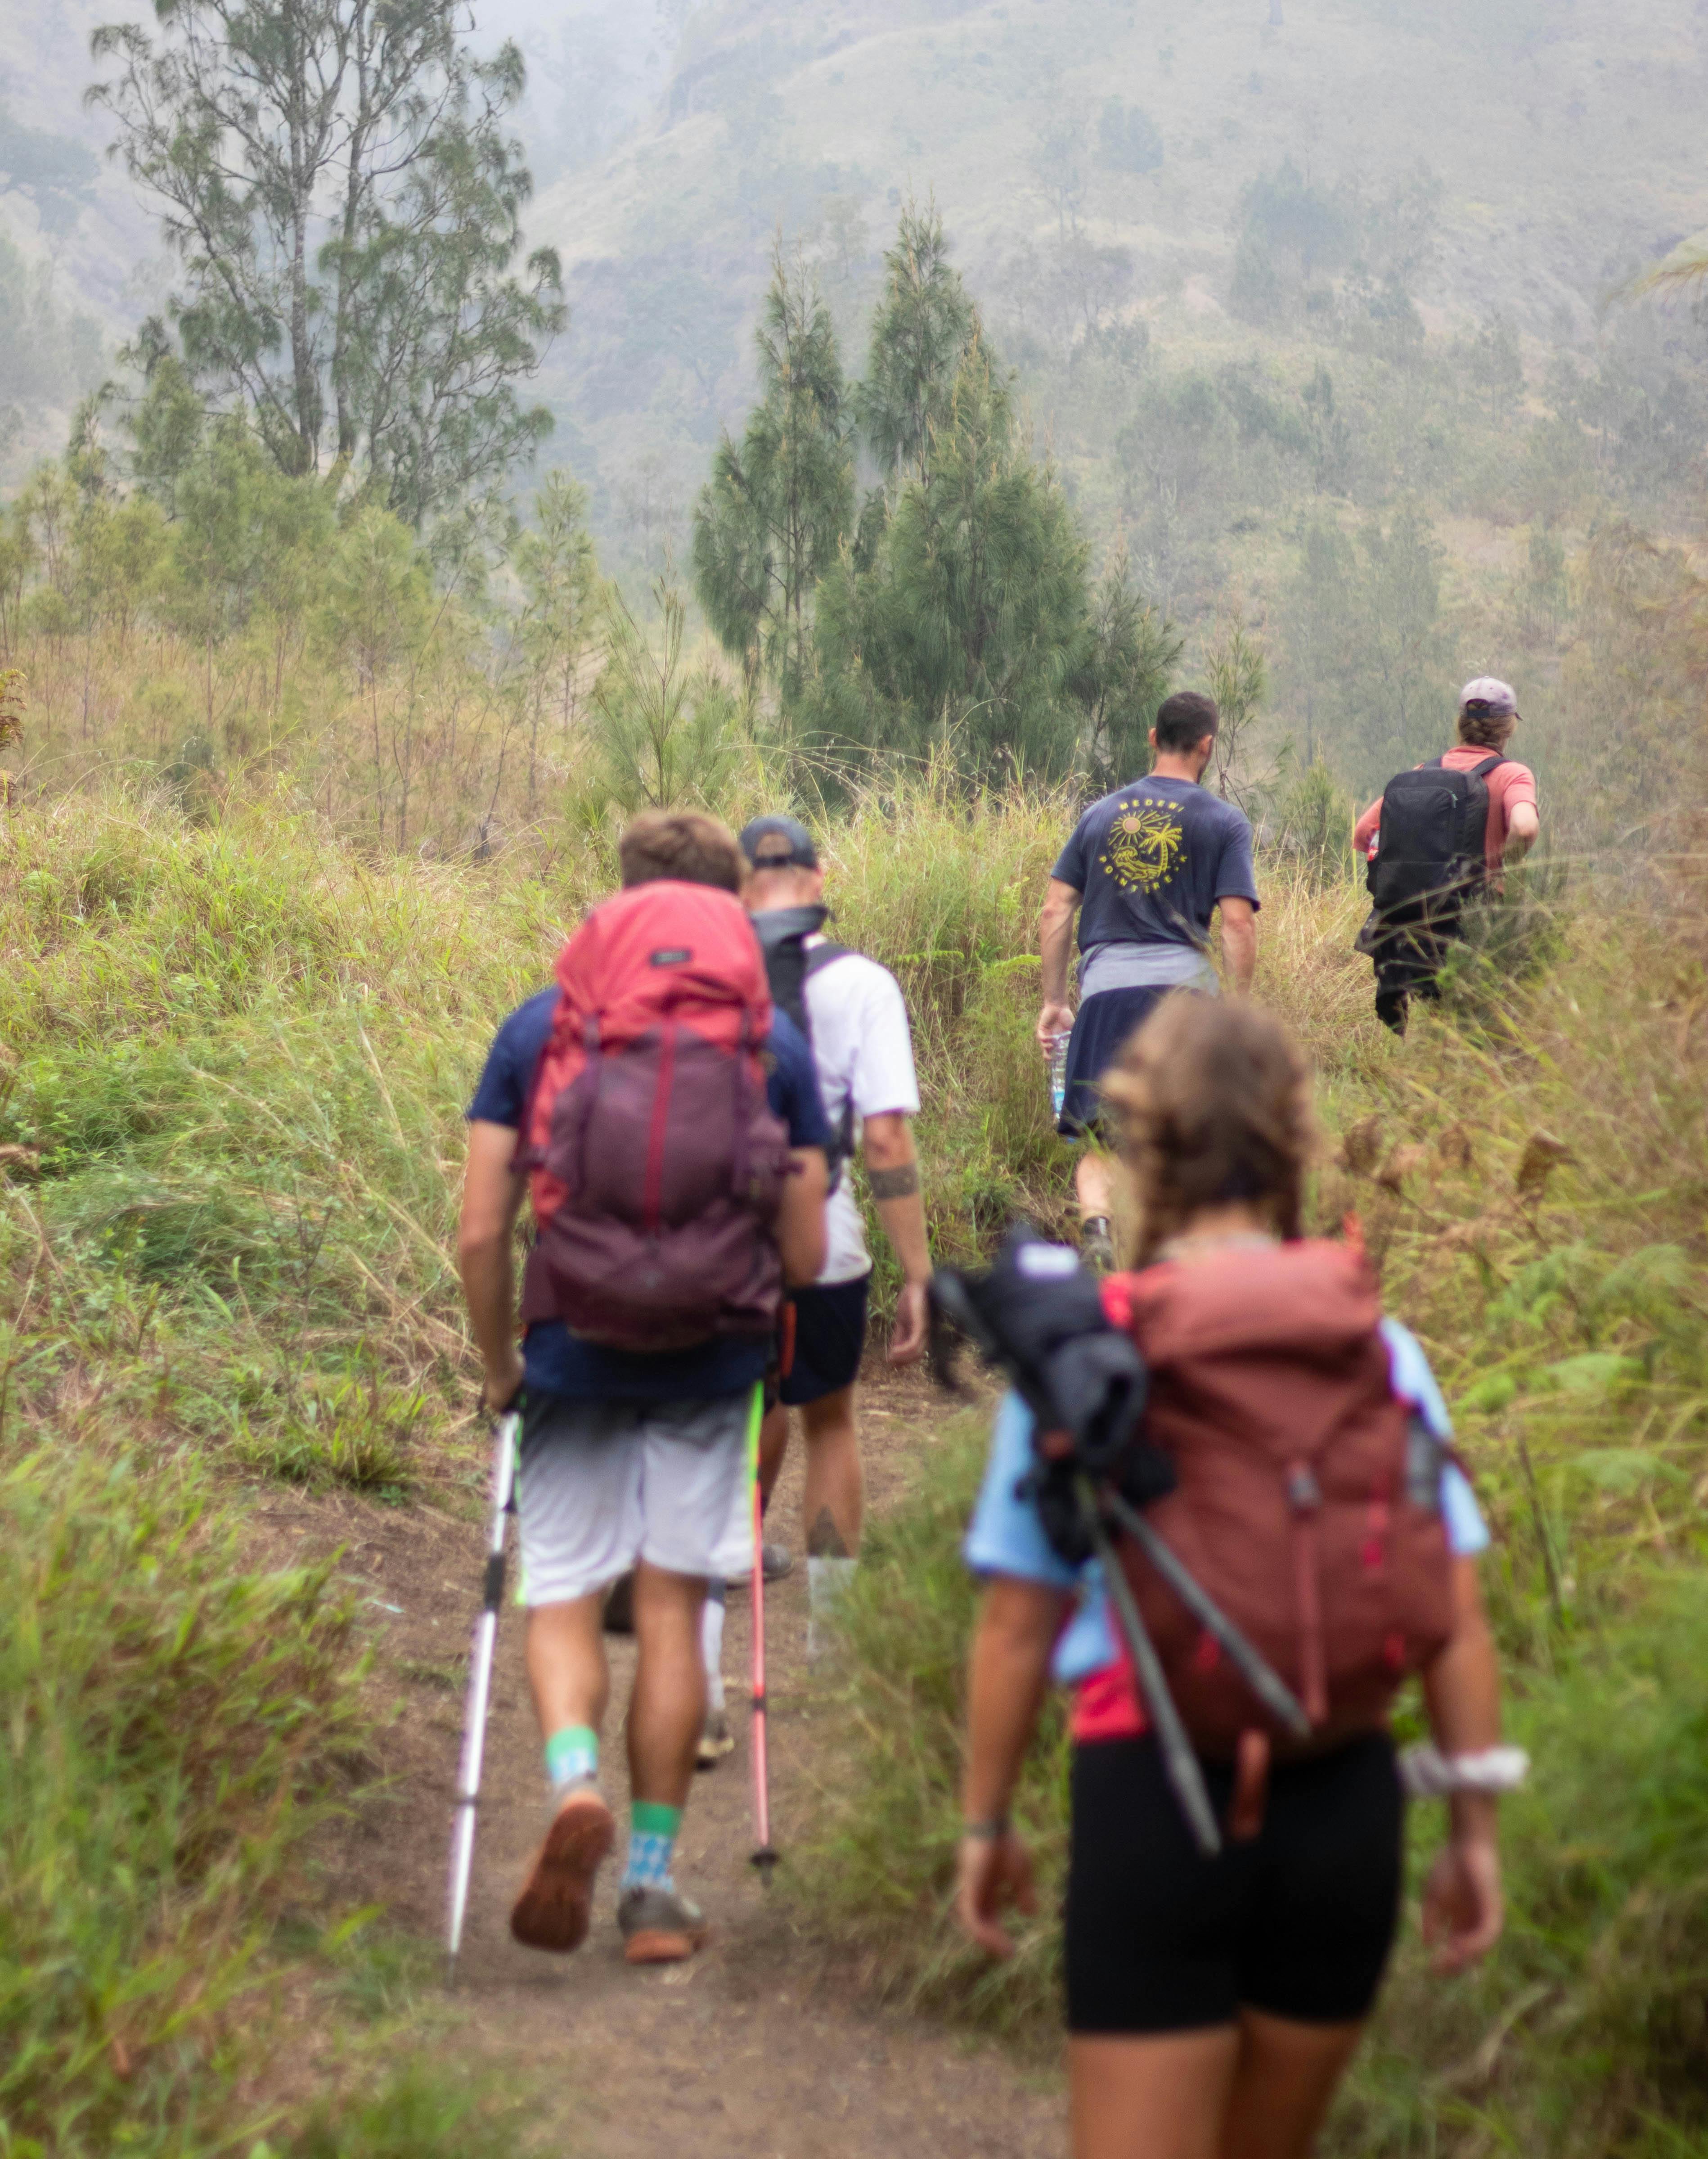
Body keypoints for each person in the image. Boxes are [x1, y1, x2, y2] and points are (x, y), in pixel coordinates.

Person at [954, 994, 1508, 2159]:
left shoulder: (1088, 1348)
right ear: (1291, 1143)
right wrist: (1471, 1827)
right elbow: (1451, 1620)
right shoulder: (1374, 1345)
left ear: (1137, 1148)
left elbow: (1015, 1627)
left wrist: (986, 1820)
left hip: (1151, 1792)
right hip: (1343, 1796)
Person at [456, 810, 830, 1965]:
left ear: (616, 895)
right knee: (673, 1607)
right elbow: (808, 1256)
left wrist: (500, 1365)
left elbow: (480, 1232)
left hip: (570, 1346)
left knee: (564, 1592)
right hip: (715, 1359)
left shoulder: (543, 1027)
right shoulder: (774, 1045)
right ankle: (655, 1884)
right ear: (728, 905)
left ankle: (574, 1779)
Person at [737, 811, 932, 1666]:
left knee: (721, 1413)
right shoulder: (863, 985)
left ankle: (702, 1619)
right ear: (818, 884)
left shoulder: (696, 978)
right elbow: (886, 1136)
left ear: (738, 887)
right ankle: (830, 1629)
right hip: (828, 1234)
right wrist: (919, 1272)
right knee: (829, 1417)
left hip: (711, 1241)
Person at [1037, 690, 1259, 1266]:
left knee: (1098, 1136)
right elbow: (1236, 922)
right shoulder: (1223, 821)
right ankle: (1176, 1256)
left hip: (1105, 995)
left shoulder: (1099, 814)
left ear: (1152, 737)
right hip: (1185, 1002)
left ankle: (1098, 1231)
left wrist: (1056, 1002)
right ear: (1207, 746)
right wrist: (1238, 1008)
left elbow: (1055, 910)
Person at [1353, 676, 1540, 1035]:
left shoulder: (1423, 773)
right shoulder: (1512, 775)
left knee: (1438, 1026)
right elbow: (1526, 828)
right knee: (1484, 1028)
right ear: (1509, 728)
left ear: (1460, 724)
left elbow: (1364, 833)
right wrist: (1505, 868)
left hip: (1412, 923)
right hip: (1477, 921)